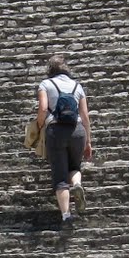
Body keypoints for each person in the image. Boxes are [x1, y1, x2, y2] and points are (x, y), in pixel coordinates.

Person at [35, 54, 92, 227]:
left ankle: (66, 215)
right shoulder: (77, 86)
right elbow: (85, 115)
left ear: (50, 70)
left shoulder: (45, 84)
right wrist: (88, 141)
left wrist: (38, 126)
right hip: (77, 130)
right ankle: (77, 184)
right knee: (74, 166)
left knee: (60, 177)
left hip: (56, 130)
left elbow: (43, 109)